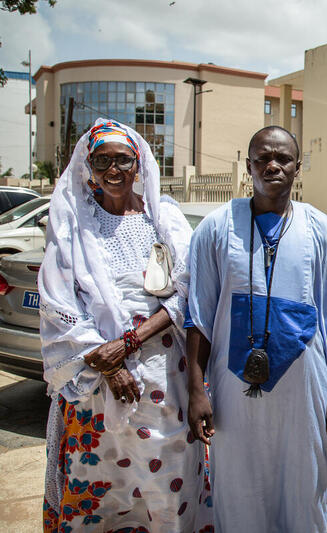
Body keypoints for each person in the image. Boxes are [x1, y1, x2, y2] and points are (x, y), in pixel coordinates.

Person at [39, 118, 211, 532]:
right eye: (102, 161)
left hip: (164, 385)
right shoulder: (71, 223)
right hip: (96, 383)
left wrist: (129, 342)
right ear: (88, 166)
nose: (113, 170)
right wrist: (110, 364)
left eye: (122, 160)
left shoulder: (162, 217)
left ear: (139, 164)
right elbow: (57, 302)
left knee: (166, 490)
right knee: (100, 485)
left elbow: (189, 290)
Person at [184, 125, 327, 531]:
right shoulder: (217, 228)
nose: (272, 165)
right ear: (248, 166)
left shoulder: (320, 229)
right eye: (263, 158)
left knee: (304, 485)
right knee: (239, 486)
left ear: (298, 168)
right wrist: (196, 390)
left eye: (283, 159)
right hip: (232, 388)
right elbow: (198, 316)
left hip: (304, 390)